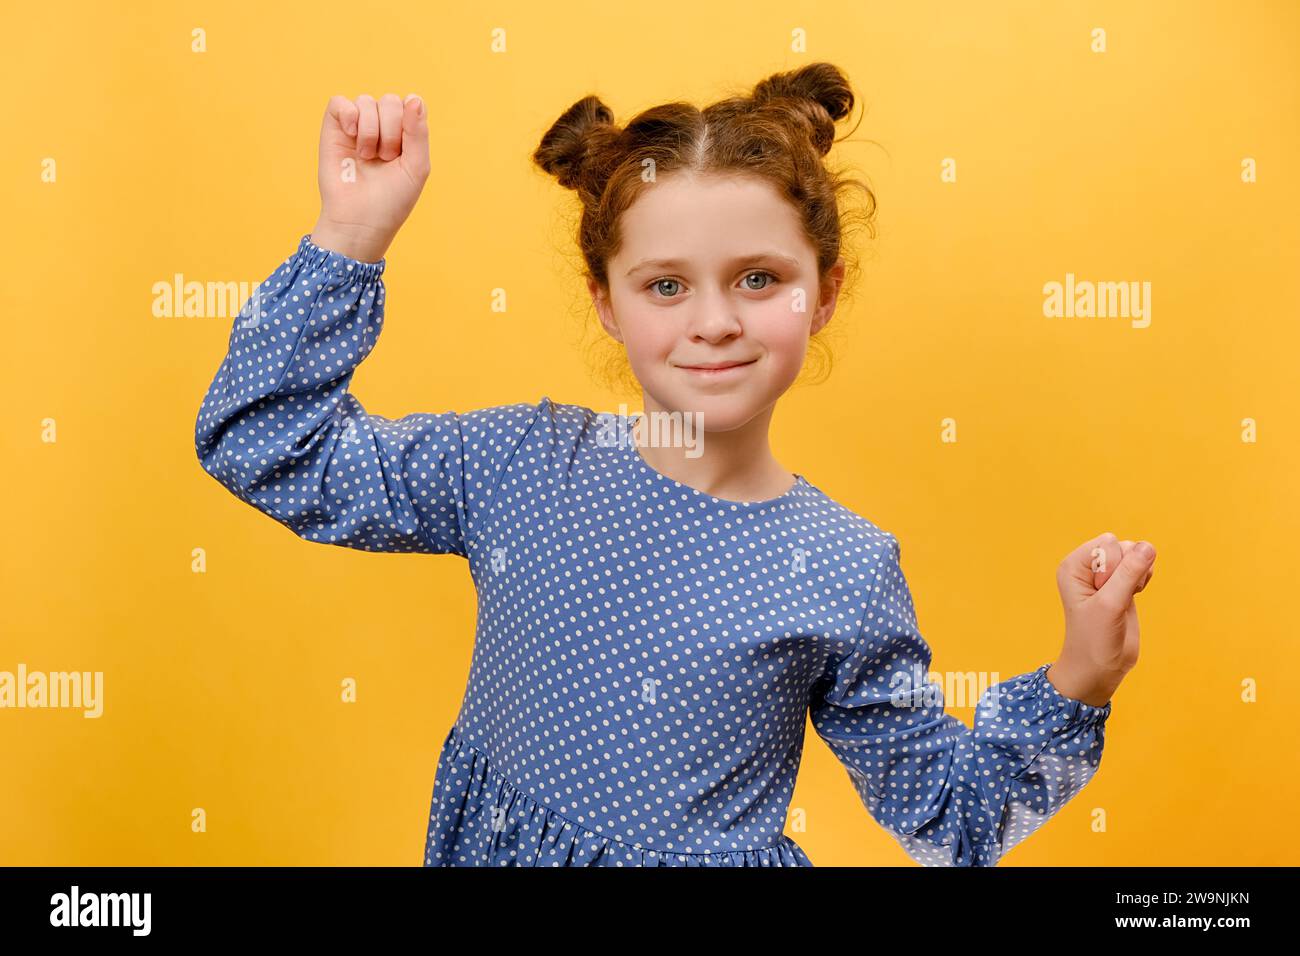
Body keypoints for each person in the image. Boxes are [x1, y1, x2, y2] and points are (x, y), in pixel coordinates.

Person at [194, 63, 1157, 866]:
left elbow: (952, 818)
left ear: (824, 293)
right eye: (665, 286)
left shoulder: (843, 568)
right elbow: (265, 443)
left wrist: (1082, 673)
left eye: (759, 279)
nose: (714, 321)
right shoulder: (519, 465)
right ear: (606, 302)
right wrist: (351, 237)